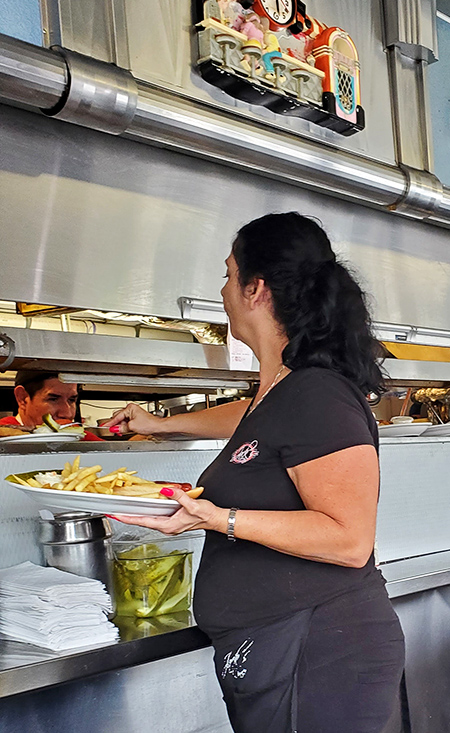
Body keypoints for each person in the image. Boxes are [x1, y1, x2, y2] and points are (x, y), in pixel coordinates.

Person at [108, 212, 405, 733]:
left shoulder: (316, 393)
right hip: (283, 649)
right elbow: (253, 421)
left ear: (255, 289)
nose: (222, 290)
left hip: (319, 652)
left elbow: (350, 539)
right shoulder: (281, 393)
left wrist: (218, 518)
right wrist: (161, 423)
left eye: (228, 275)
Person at [0, 370, 101, 440]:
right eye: (53, 399)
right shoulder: (4, 435)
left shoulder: (78, 436)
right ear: (22, 398)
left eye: (71, 400)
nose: (67, 414)